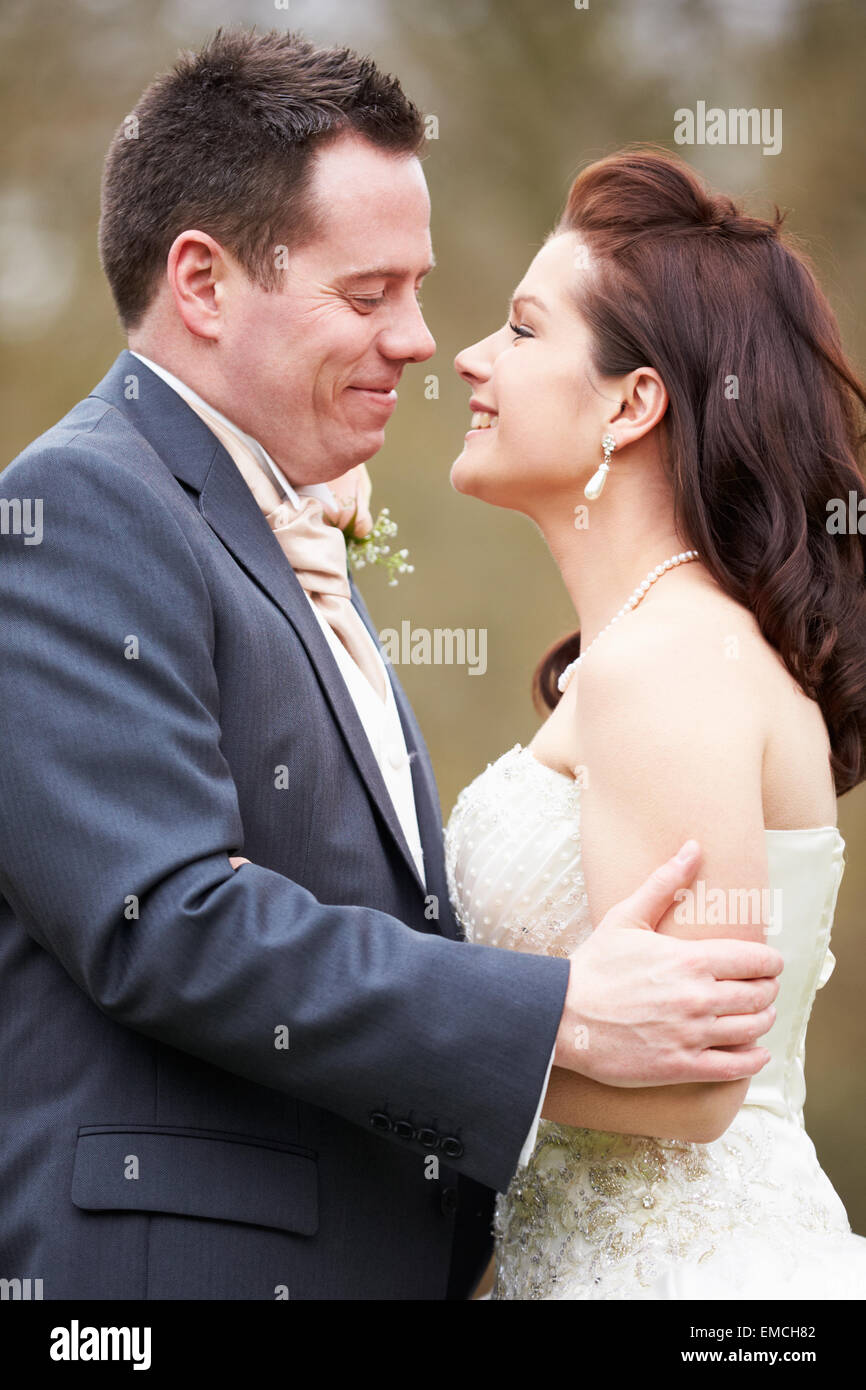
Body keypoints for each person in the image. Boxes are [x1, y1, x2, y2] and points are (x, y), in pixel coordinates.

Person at [0, 33, 780, 1301]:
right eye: (367, 296)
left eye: (415, 289)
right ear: (200, 282)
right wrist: (558, 1011)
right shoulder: (77, 510)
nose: (421, 340)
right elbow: (168, 921)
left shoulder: (281, 526)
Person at [446, 147, 866, 1299]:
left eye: (523, 332)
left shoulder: (663, 664)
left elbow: (692, 1085)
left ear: (633, 404)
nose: (468, 359)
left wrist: (393, 1064)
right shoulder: (651, 650)